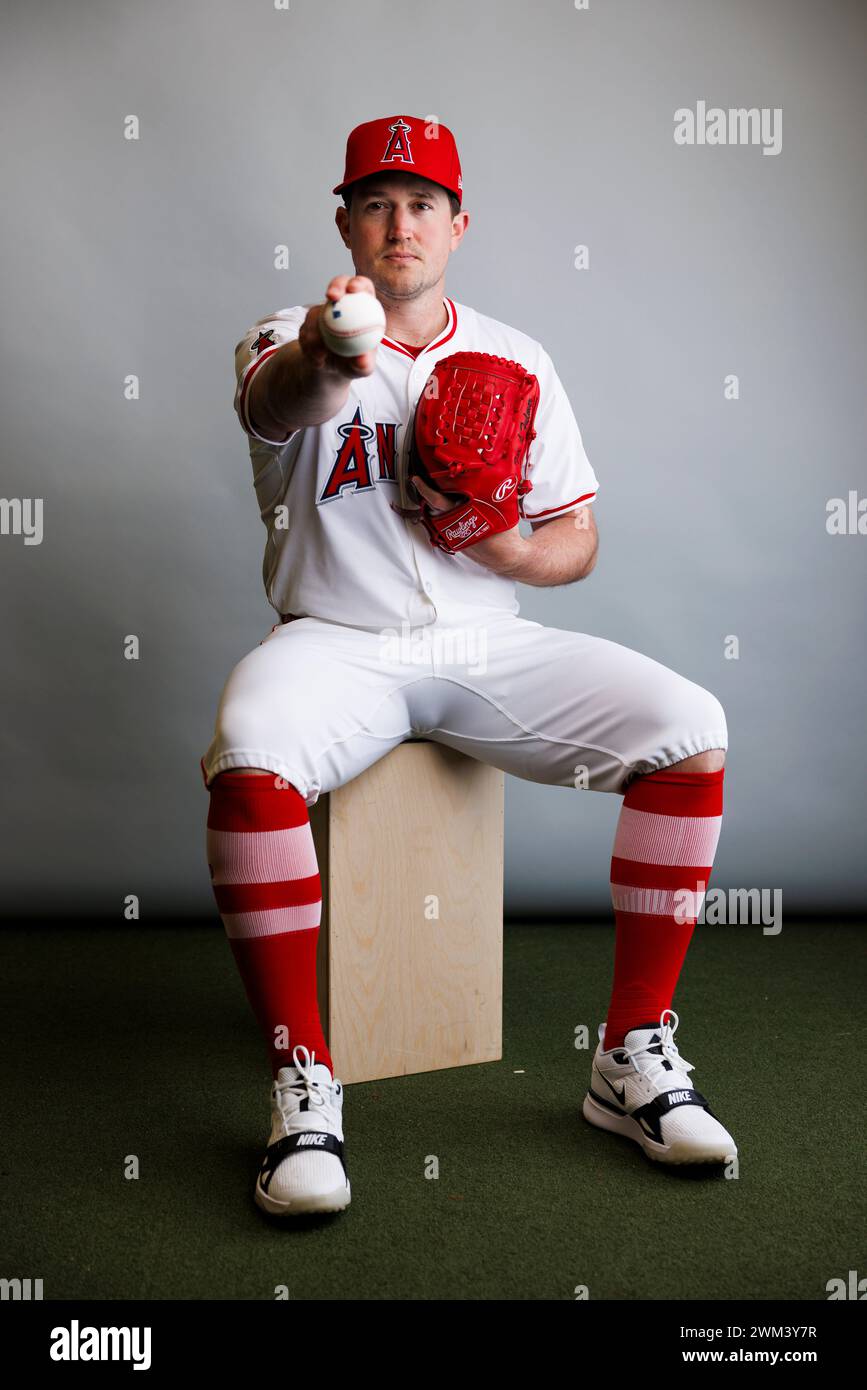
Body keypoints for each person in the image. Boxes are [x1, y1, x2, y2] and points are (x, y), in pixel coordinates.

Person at [200, 114, 735, 1218]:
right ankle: (304, 1084)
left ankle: (629, 1056)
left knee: (690, 726)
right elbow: (275, 402)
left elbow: (576, 538)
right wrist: (330, 353)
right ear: (345, 219)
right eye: (378, 203)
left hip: (486, 641)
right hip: (331, 640)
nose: (402, 223)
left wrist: (506, 546)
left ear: (458, 224)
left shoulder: (518, 356)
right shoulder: (281, 336)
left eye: (424, 204)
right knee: (249, 758)